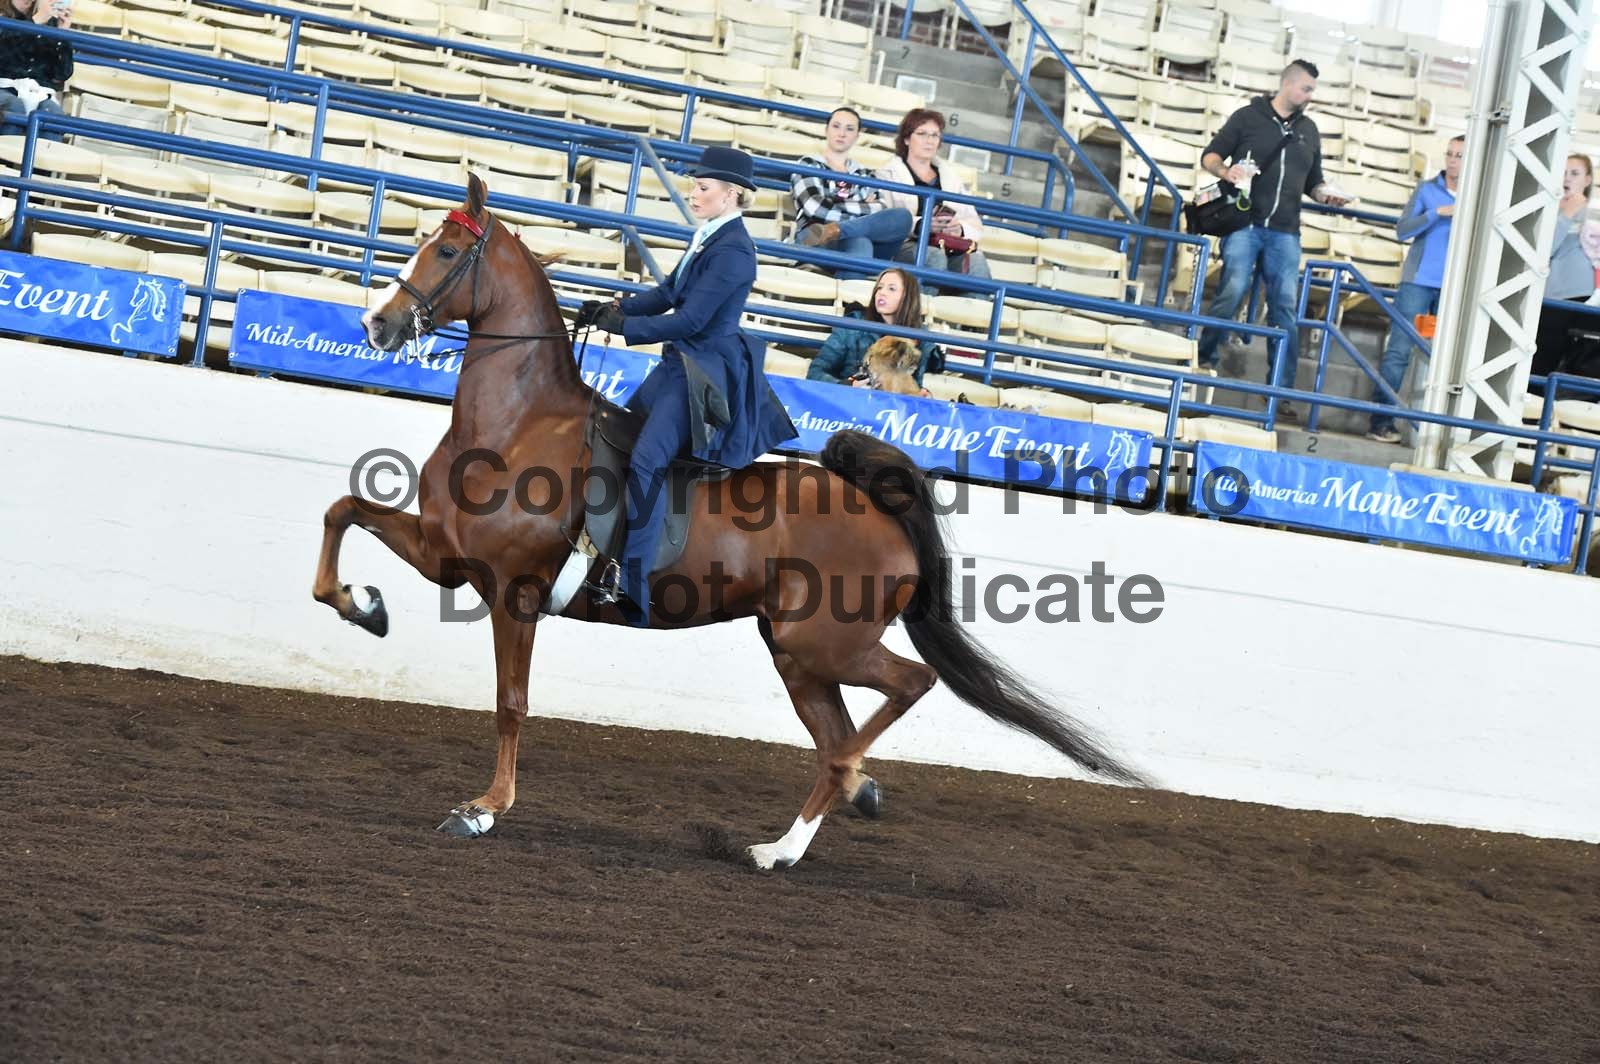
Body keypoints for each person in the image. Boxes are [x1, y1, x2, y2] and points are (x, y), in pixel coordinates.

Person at [576, 146, 798, 626]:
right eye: (696, 186)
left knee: (647, 459)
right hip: (677, 367)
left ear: (731, 194)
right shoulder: (708, 236)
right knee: (613, 435)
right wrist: (617, 306)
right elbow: (667, 293)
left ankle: (631, 581)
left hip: (702, 375)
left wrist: (622, 328)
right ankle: (596, 548)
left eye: (703, 187)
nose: (693, 193)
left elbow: (692, 318)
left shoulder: (735, 251)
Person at [1195, 59, 1349, 420]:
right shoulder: (1247, 117)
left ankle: (1278, 391)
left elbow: (1314, 180)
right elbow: (1211, 156)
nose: (1310, 95)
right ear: (1288, 85)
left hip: (1285, 231)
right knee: (1232, 289)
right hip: (1244, 223)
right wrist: (1224, 170)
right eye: (1307, 88)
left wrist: (1326, 195)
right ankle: (1204, 358)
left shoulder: (1309, 129)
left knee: (1286, 312)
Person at [1366, 135, 1464, 443]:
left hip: (1455, 288)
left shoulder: (1479, 195)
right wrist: (1438, 213)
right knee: (1398, 353)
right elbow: (1402, 230)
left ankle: (1438, 434)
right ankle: (1380, 421)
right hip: (1418, 283)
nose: (1451, 160)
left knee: (1448, 360)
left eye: (1459, 155)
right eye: (1449, 153)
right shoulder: (1427, 190)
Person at [790, 107, 914, 280]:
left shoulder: (864, 174)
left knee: (903, 217)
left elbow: (881, 207)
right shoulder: (809, 164)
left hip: (865, 243)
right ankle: (852, 307)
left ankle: (838, 230)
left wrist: (833, 204)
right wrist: (863, 208)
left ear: (857, 136)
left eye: (849, 129)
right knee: (859, 242)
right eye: (836, 126)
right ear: (826, 130)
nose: (842, 133)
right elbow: (815, 208)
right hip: (814, 239)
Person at [875, 108, 992, 288]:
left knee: (976, 262)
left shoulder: (951, 178)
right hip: (905, 247)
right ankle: (919, 313)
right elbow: (882, 220)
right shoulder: (886, 174)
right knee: (933, 256)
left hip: (948, 246)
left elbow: (975, 223)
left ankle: (971, 313)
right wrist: (922, 225)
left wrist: (959, 229)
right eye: (921, 134)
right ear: (906, 139)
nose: (929, 141)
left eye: (934, 135)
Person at [806, 267, 944, 391]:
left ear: (907, 297)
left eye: (891, 289)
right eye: (879, 288)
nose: (882, 293)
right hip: (848, 407)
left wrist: (923, 395)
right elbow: (815, 372)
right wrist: (846, 385)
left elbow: (915, 385)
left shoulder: (920, 335)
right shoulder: (854, 324)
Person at [1533, 154, 1600, 378]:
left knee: (1578, 361)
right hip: (1548, 297)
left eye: (1575, 173)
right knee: (1541, 358)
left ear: (1588, 180)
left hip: (1583, 298)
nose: (1567, 179)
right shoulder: (1545, 212)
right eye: (1563, 173)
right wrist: (1567, 215)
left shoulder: (1594, 214)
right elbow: (1543, 250)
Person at [0, 0, 73, 141]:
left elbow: (62, 74)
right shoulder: (4, 18)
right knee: (14, 107)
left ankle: (38, 163)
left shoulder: (50, 23)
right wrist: (35, 22)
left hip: (38, 91)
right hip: (3, 86)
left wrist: (63, 35)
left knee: (53, 115)